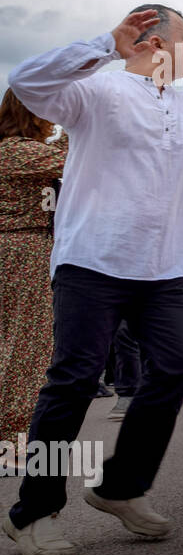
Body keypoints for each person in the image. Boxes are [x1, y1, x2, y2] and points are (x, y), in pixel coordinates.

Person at [3, 8, 183, 555]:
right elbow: (27, 81)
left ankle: (120, 487)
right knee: (73, 381)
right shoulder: (95, 93)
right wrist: (106, 44)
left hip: (163, 269)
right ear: (155, 41)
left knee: (178, 368)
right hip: (92, 261)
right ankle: (33, 513)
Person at [0, 90, 68, 449]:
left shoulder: (16, 148)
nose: (54, 119)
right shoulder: (16, 149)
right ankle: (12, 438)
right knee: (26, 343)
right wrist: (83, 119)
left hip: (24, 246)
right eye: (48, 111)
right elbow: (69, 159)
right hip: (21, 248)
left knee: (21, 341)